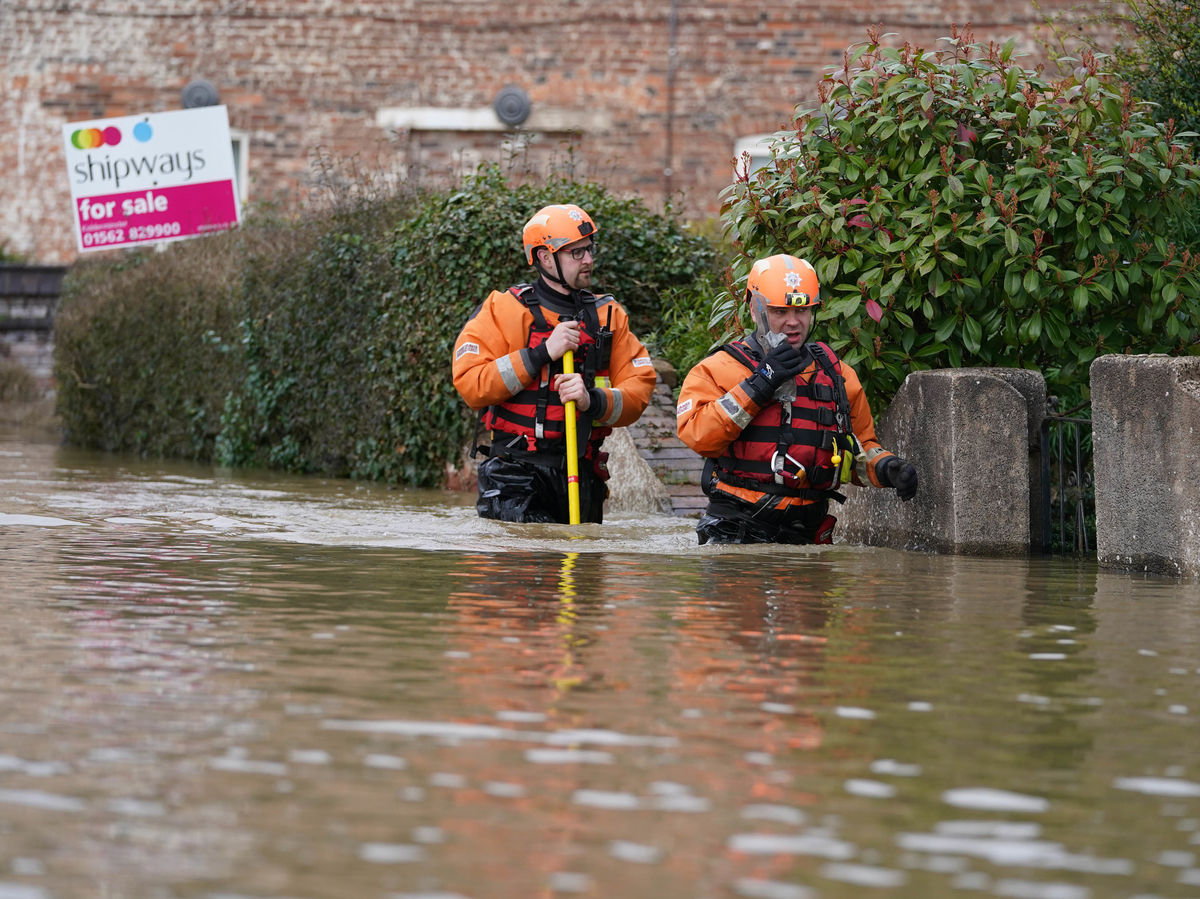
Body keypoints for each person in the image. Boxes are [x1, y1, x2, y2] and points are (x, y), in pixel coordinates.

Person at [676, 253, 918, 545]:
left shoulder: (837, 374)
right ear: (755, 310)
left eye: (802, 311)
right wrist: (760, 383)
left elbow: (860, 446)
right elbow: (698, 436)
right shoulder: (718, 369)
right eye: (780, 311)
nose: (793, 322)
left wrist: (885, 468)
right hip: (737, 529)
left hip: (807, 532)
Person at [452, 203, 657, 523]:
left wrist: (592, 399)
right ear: (545, 257)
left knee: (583, 570)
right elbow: (471, 384)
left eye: (590, 249)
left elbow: (639, 389)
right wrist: (540, 354)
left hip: (580, 474)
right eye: (576, 253)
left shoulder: (609, 316)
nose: (588, 259)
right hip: (514, 477)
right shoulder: (503, 310)